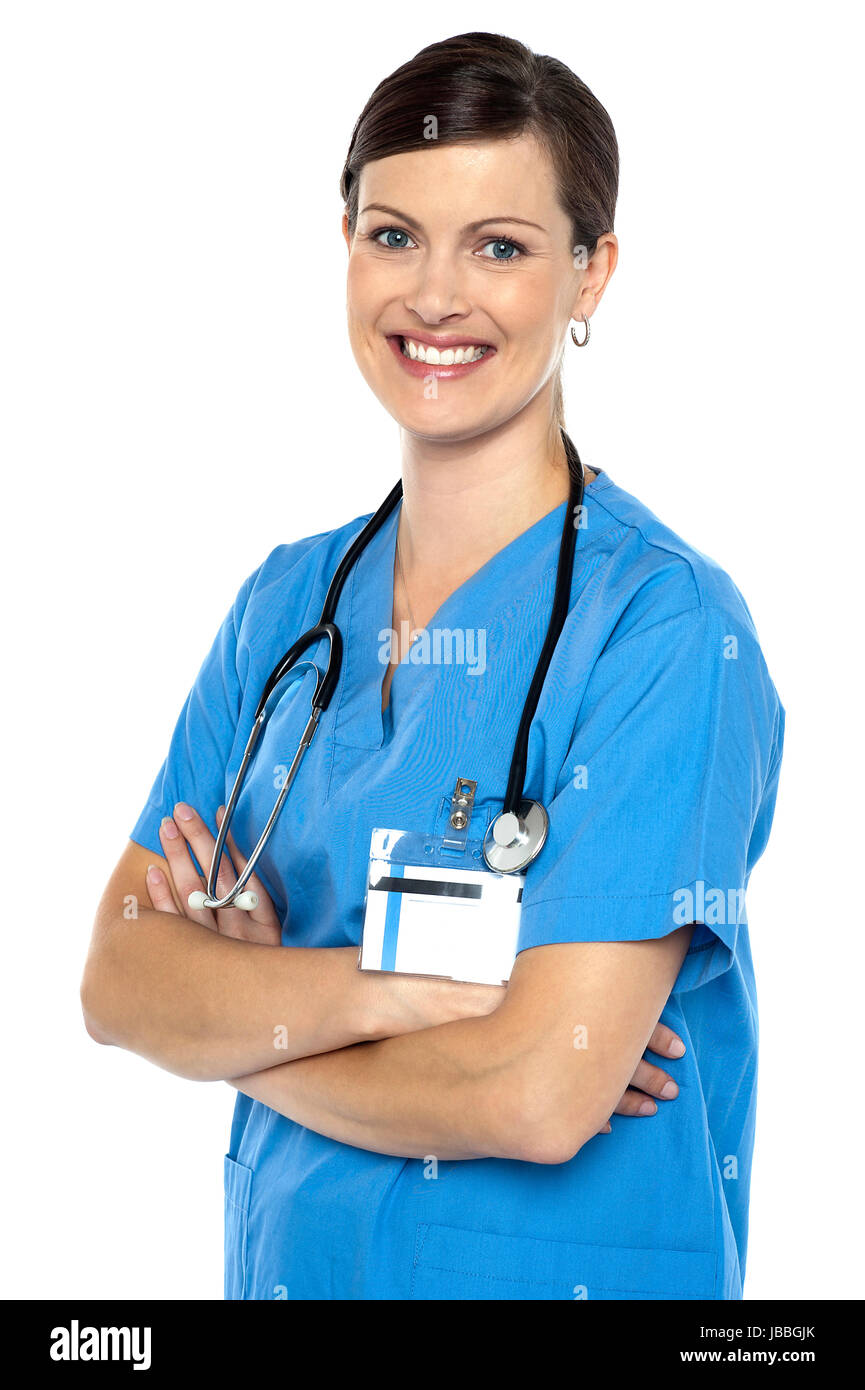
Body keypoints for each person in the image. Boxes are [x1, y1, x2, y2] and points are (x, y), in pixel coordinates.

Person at [81, 31, 785, 1301]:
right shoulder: (286, 608)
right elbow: (122, 981)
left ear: (590, 274)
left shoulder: (667, 632)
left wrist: (239, 1021)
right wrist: (413, 994)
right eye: (392, 235)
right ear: (342, 244)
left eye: (501, 247)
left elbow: (538, 1093)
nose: (433, 296)